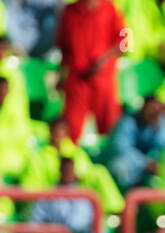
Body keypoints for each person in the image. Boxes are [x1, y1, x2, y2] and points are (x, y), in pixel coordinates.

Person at [56, 0, 125, 140]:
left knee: (110, 128)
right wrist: (61, 75)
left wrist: (105, 58)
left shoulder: (109, 8)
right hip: (77, 79)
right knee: (71, 130)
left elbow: (124, 41)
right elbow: (62, 46)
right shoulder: (70, 11)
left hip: (103, 78)